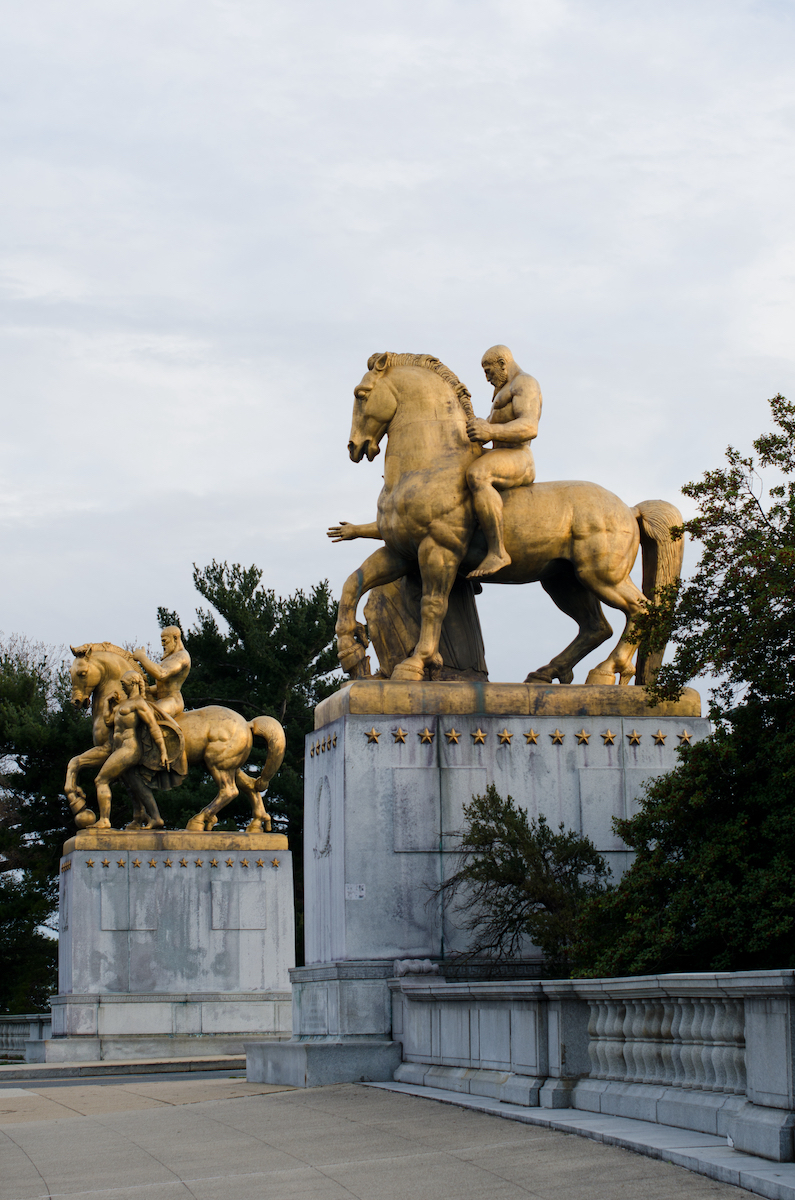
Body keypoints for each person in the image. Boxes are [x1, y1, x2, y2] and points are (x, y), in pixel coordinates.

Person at [465, 345, 542, 578]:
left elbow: (529, 426)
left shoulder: (524, 383)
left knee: (477, 474)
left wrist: (489, 431)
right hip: (501, 455)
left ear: (502, 363)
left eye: (489, 371)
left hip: (519, 457)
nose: (487, 377)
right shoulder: (504, 389)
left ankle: (498, 552)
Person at [93, 671, 168, 827]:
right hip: (120, 749)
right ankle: (156, 818)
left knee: (101, 780)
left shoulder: (139, 703)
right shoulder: (123, 704)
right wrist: (107, 702)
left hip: (129, 748)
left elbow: (153, 727)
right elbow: (108, 721)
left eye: (124, 684)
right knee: (137, 786)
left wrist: (163, 751)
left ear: (133, 683)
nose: (122, 687)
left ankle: (104, 820)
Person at [132, 626, 191, 719]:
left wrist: (142, 657)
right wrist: (143, 689)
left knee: (148, 714)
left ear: (175, 638)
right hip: (163, 700)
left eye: (164, 641)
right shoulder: (168, 658)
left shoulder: (181, 656)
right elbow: (162, 687)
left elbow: (161, 674)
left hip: (173, 701)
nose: (162, 644)